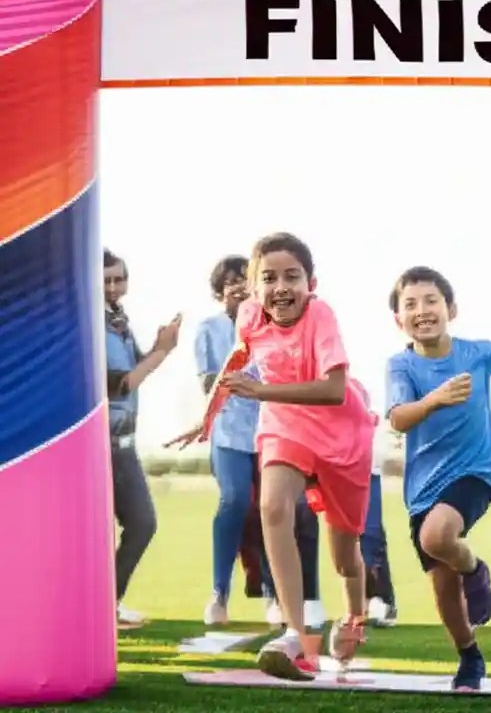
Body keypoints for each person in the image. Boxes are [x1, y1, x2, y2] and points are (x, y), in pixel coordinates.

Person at [169, 232, 376, 681]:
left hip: (342, 433)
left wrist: (261, 390)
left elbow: (333, 388)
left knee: (344, 556)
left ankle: (355, 617)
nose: (281, 287)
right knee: (272, 505)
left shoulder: (320, 316)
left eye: (292, 277)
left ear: (311, 282)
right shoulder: (248, 314)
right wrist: (207, 419)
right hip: (285, 426)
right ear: (253, 286)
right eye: (269, 278)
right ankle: (297, 637)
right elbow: (235, 362)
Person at [384, 266, 491, 691]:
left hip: (474, 473)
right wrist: (435, 399)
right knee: (443, 590)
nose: (422, 310)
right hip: (423, 489)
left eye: (431, 301)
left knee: (437, 537)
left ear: (450, 308)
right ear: (399, 319)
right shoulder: (401, 366)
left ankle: (476, 570)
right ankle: (469, 656)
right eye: (411, 305)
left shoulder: (476, 353)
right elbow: (399, 418)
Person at [194, 254, 326, 629]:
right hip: (229, 433)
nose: (236, 287)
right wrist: (236, 381)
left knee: (276, 509)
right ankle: (219, 593)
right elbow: (208, 382)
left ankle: (273, 593)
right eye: (228, 282)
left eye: (243, 280)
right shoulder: (209, 329)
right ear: (219, 292)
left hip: (272, 431)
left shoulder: (276, 327)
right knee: (235, 500)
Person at [103, 248, 182, 628]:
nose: (114, 287)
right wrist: (163, 352)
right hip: (107, 444)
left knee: (136, 524)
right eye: (106, 280)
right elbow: (121, 384)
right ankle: (105, 605)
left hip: (124, 441)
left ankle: (107, 604)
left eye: (120, 279)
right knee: (141, 522)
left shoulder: (118, 321)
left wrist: (158, 346)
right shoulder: (92, 325)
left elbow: (136, 368)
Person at [362, 458, 398, 629]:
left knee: (369, 531)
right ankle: (281, 598)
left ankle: (379, 598)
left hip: (364, 463)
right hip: (319, 454)